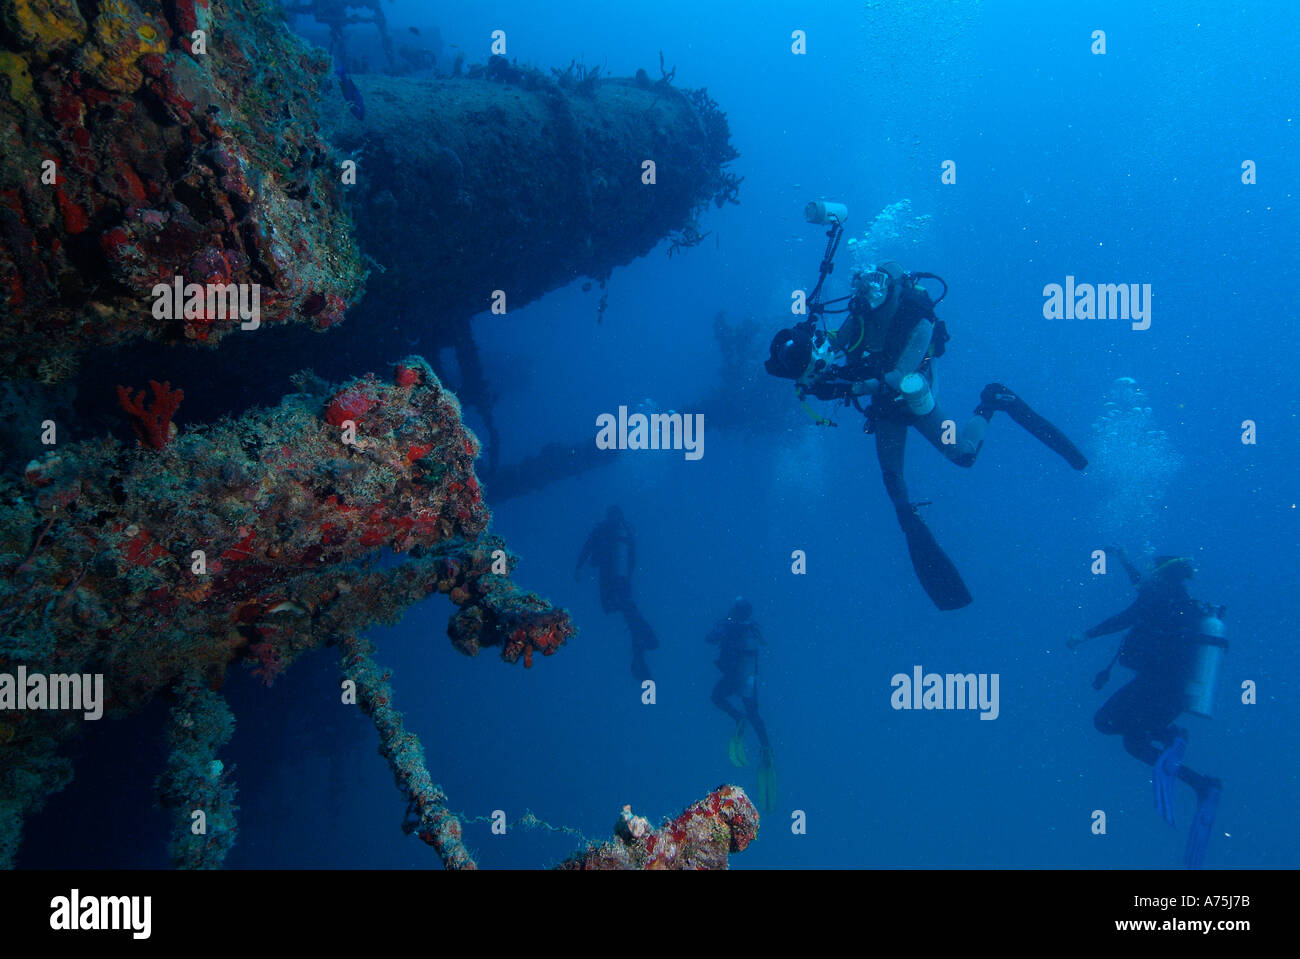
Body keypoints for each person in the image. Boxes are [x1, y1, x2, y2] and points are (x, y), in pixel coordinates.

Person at [766, 260, 1088, 611]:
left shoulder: (918, 318)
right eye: (863, 286)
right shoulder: (859, 314)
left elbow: (900, 373)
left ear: (893, 287)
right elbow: (836, 343)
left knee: (964, 455)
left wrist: (846, 388)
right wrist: (811, 361)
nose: (868, 293)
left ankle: (992, 401)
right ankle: (910, 519)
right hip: (884, 404)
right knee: (892, 480)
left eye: (877, 285)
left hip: (913, 395)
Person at [1069, 550, 1225, 869]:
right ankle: (1201, 783)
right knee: (1134, 742)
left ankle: (1172, 737)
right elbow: (1141, 587)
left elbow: (1123, 618)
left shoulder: (1156, 599)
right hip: (1179, 691)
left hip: (1159, 684)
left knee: (1104, 722)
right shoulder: (1179, 601)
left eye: (1154, 571)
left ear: (1163, 575)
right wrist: (1124, 560)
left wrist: (1084, 635)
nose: (1149, 576)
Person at [706, 597, 775, 812]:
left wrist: (723, 625)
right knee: (754, 714)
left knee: (717, 697)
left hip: (735, 677)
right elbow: (764, 644)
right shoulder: (751, 629)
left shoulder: (730, 626)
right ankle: (766, 748)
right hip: (749, 679)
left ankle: (738, 718)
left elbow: (709, 638)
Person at [575, 506, 658, 681]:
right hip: (623, 579)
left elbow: (587, 549)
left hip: (608, 578)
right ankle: (643, 643)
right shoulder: (625, 532)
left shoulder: (602, 530)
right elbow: (633, 559)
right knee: (627, 608)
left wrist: (578, 567)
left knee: (619, 607)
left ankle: (644, 642)